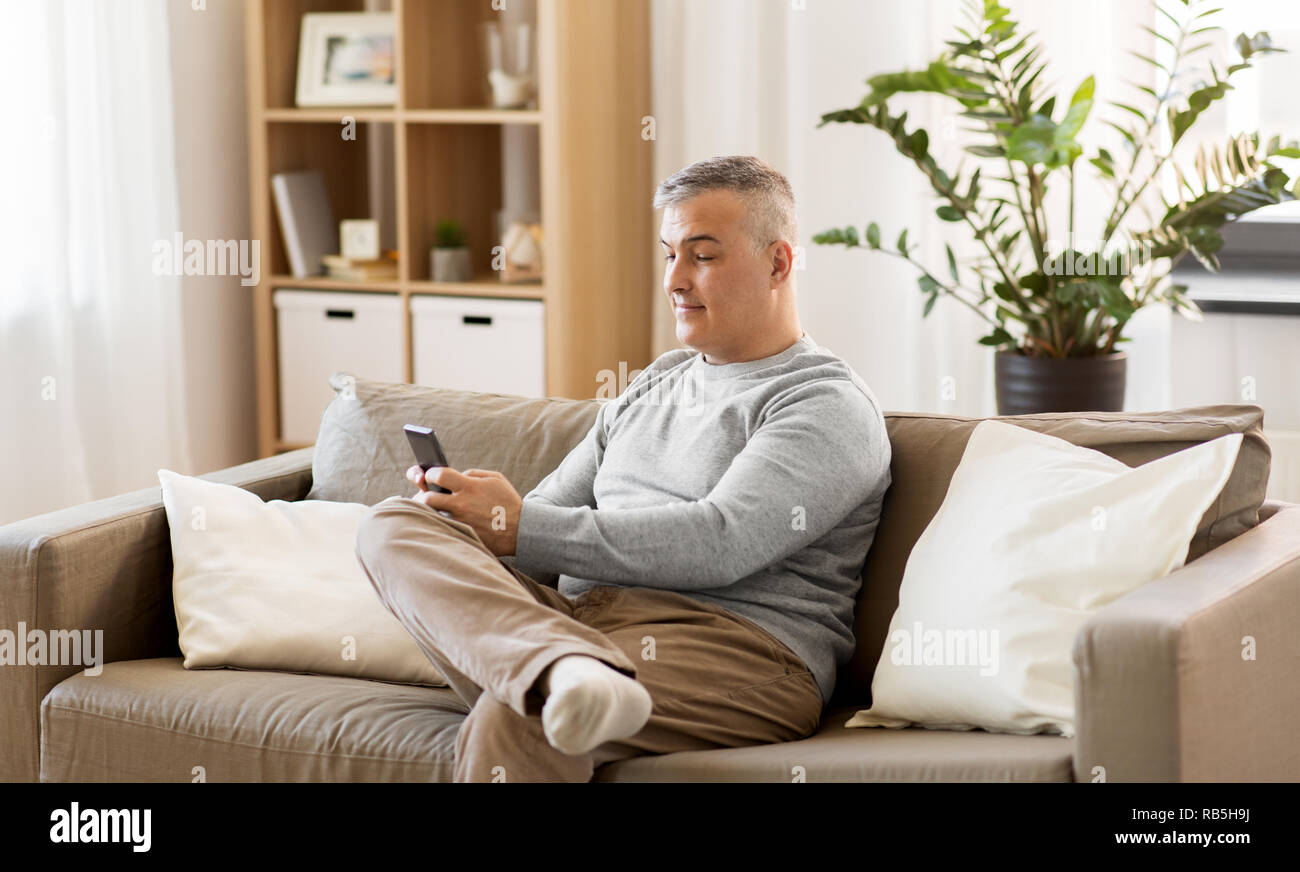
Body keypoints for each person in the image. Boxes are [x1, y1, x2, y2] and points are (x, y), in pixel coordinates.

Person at [354, 155, 892, 782]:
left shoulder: (824, 404)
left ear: (778, 263)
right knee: (391, 525)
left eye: (703, 255)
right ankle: (559, 669)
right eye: (669, 255)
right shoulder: (658, 380)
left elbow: (722, 541)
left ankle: (557, 676)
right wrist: (463, 518)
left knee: (521, 719)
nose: (674, 280)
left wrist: (519, 524)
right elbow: (535, 534)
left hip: (736, 650)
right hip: (581, 628)